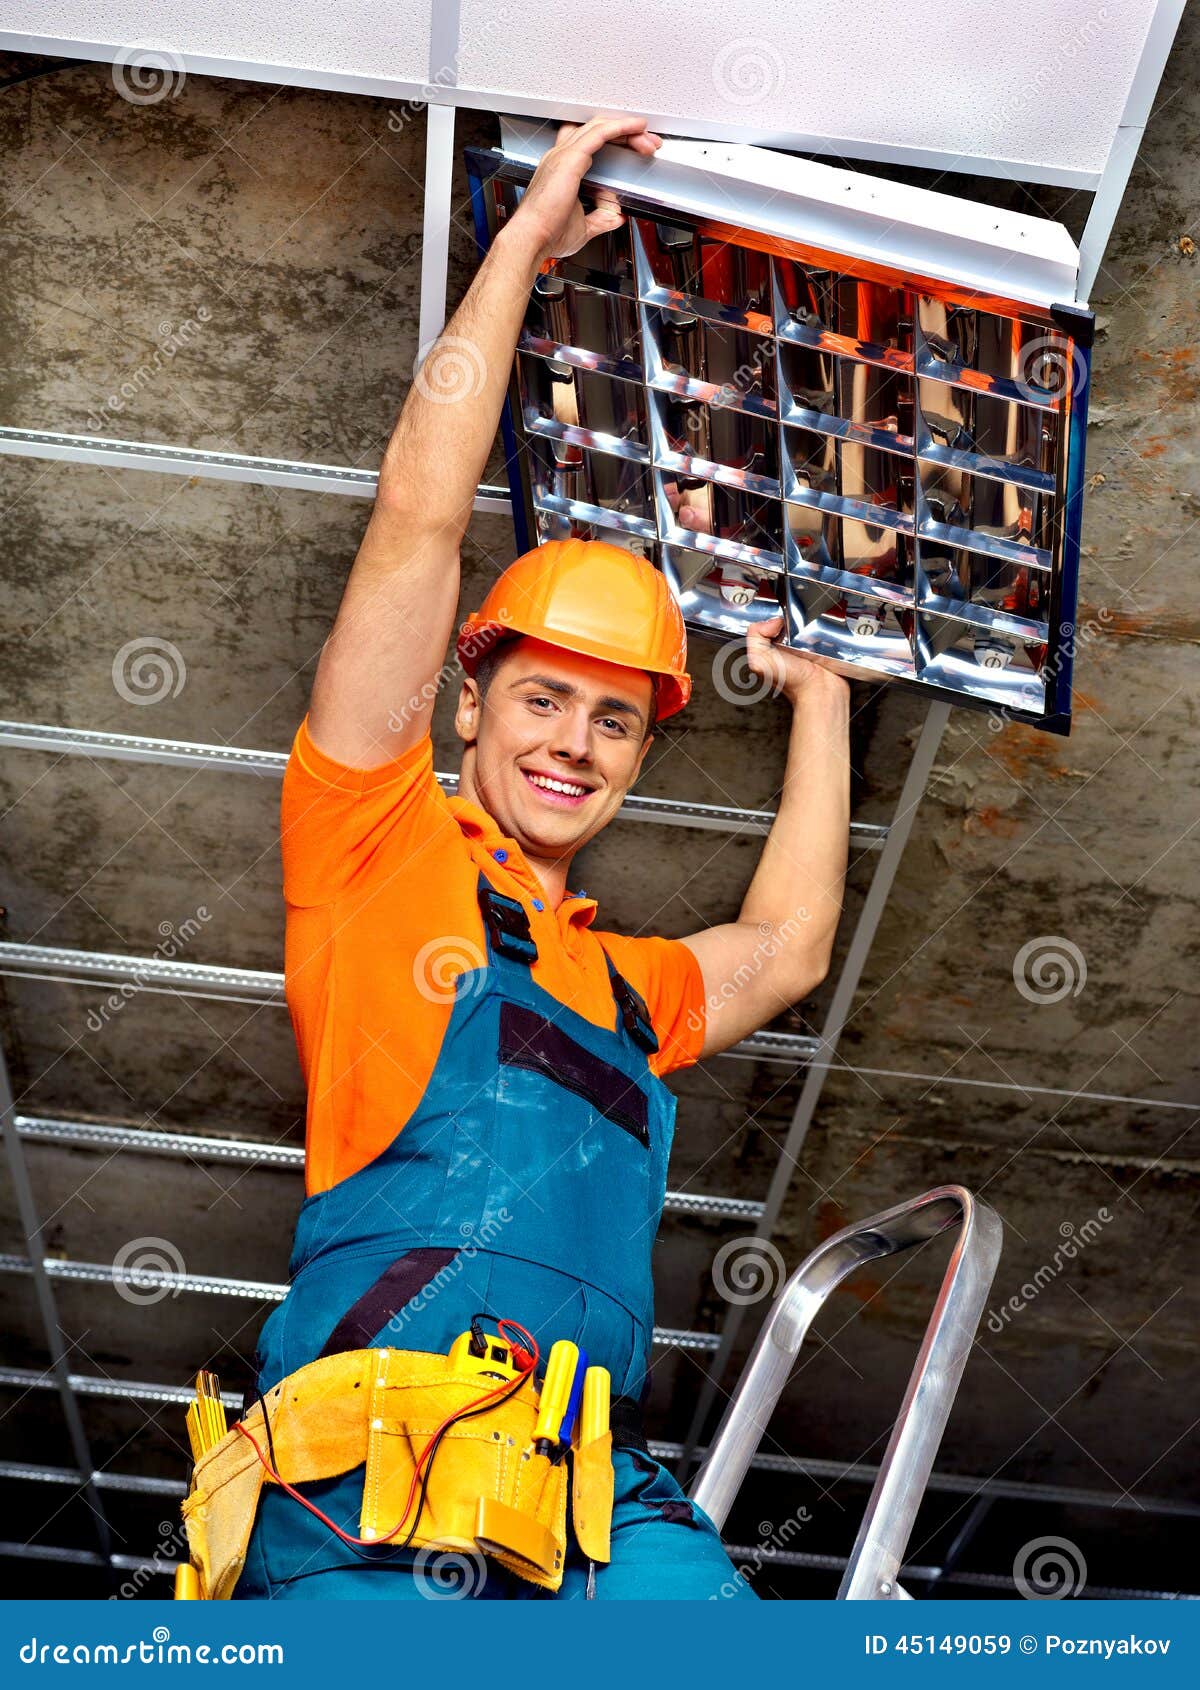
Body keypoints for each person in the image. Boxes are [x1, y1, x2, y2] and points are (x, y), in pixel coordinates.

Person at [232, 114, 850, 1601]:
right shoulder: (374, 842)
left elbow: (787, 950)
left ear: (643, 755)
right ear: (470, 700)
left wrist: (823, 696)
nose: (574, 743)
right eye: (542, 698)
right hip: (364, 1491)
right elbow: (418, 521)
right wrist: (520, 249)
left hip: (587, 1505)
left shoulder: (623, 989)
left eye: (616, 722)